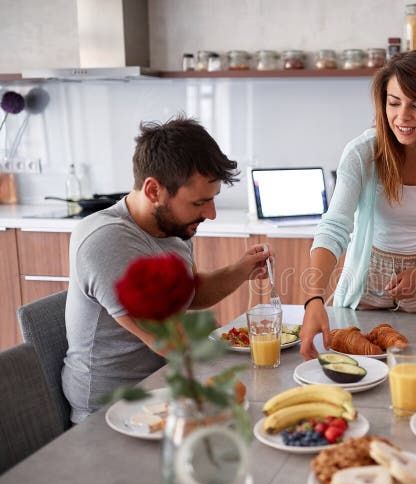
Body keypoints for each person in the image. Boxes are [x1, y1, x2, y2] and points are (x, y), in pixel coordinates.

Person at [62, 117, 271, 423]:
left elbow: (191, 294)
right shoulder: (107, 240)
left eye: (212, 200)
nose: (210, 214)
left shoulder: (171, 226)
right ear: (153, 190)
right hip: (112, 411)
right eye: (200, 202)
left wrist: (241, 269)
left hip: (164, 386)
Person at [300, 50, 416, 360]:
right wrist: (314, 298)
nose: (402, 117)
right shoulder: (362, 154)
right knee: (360, 364)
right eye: (393, 103)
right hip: (367, 278)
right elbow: (335, 226)